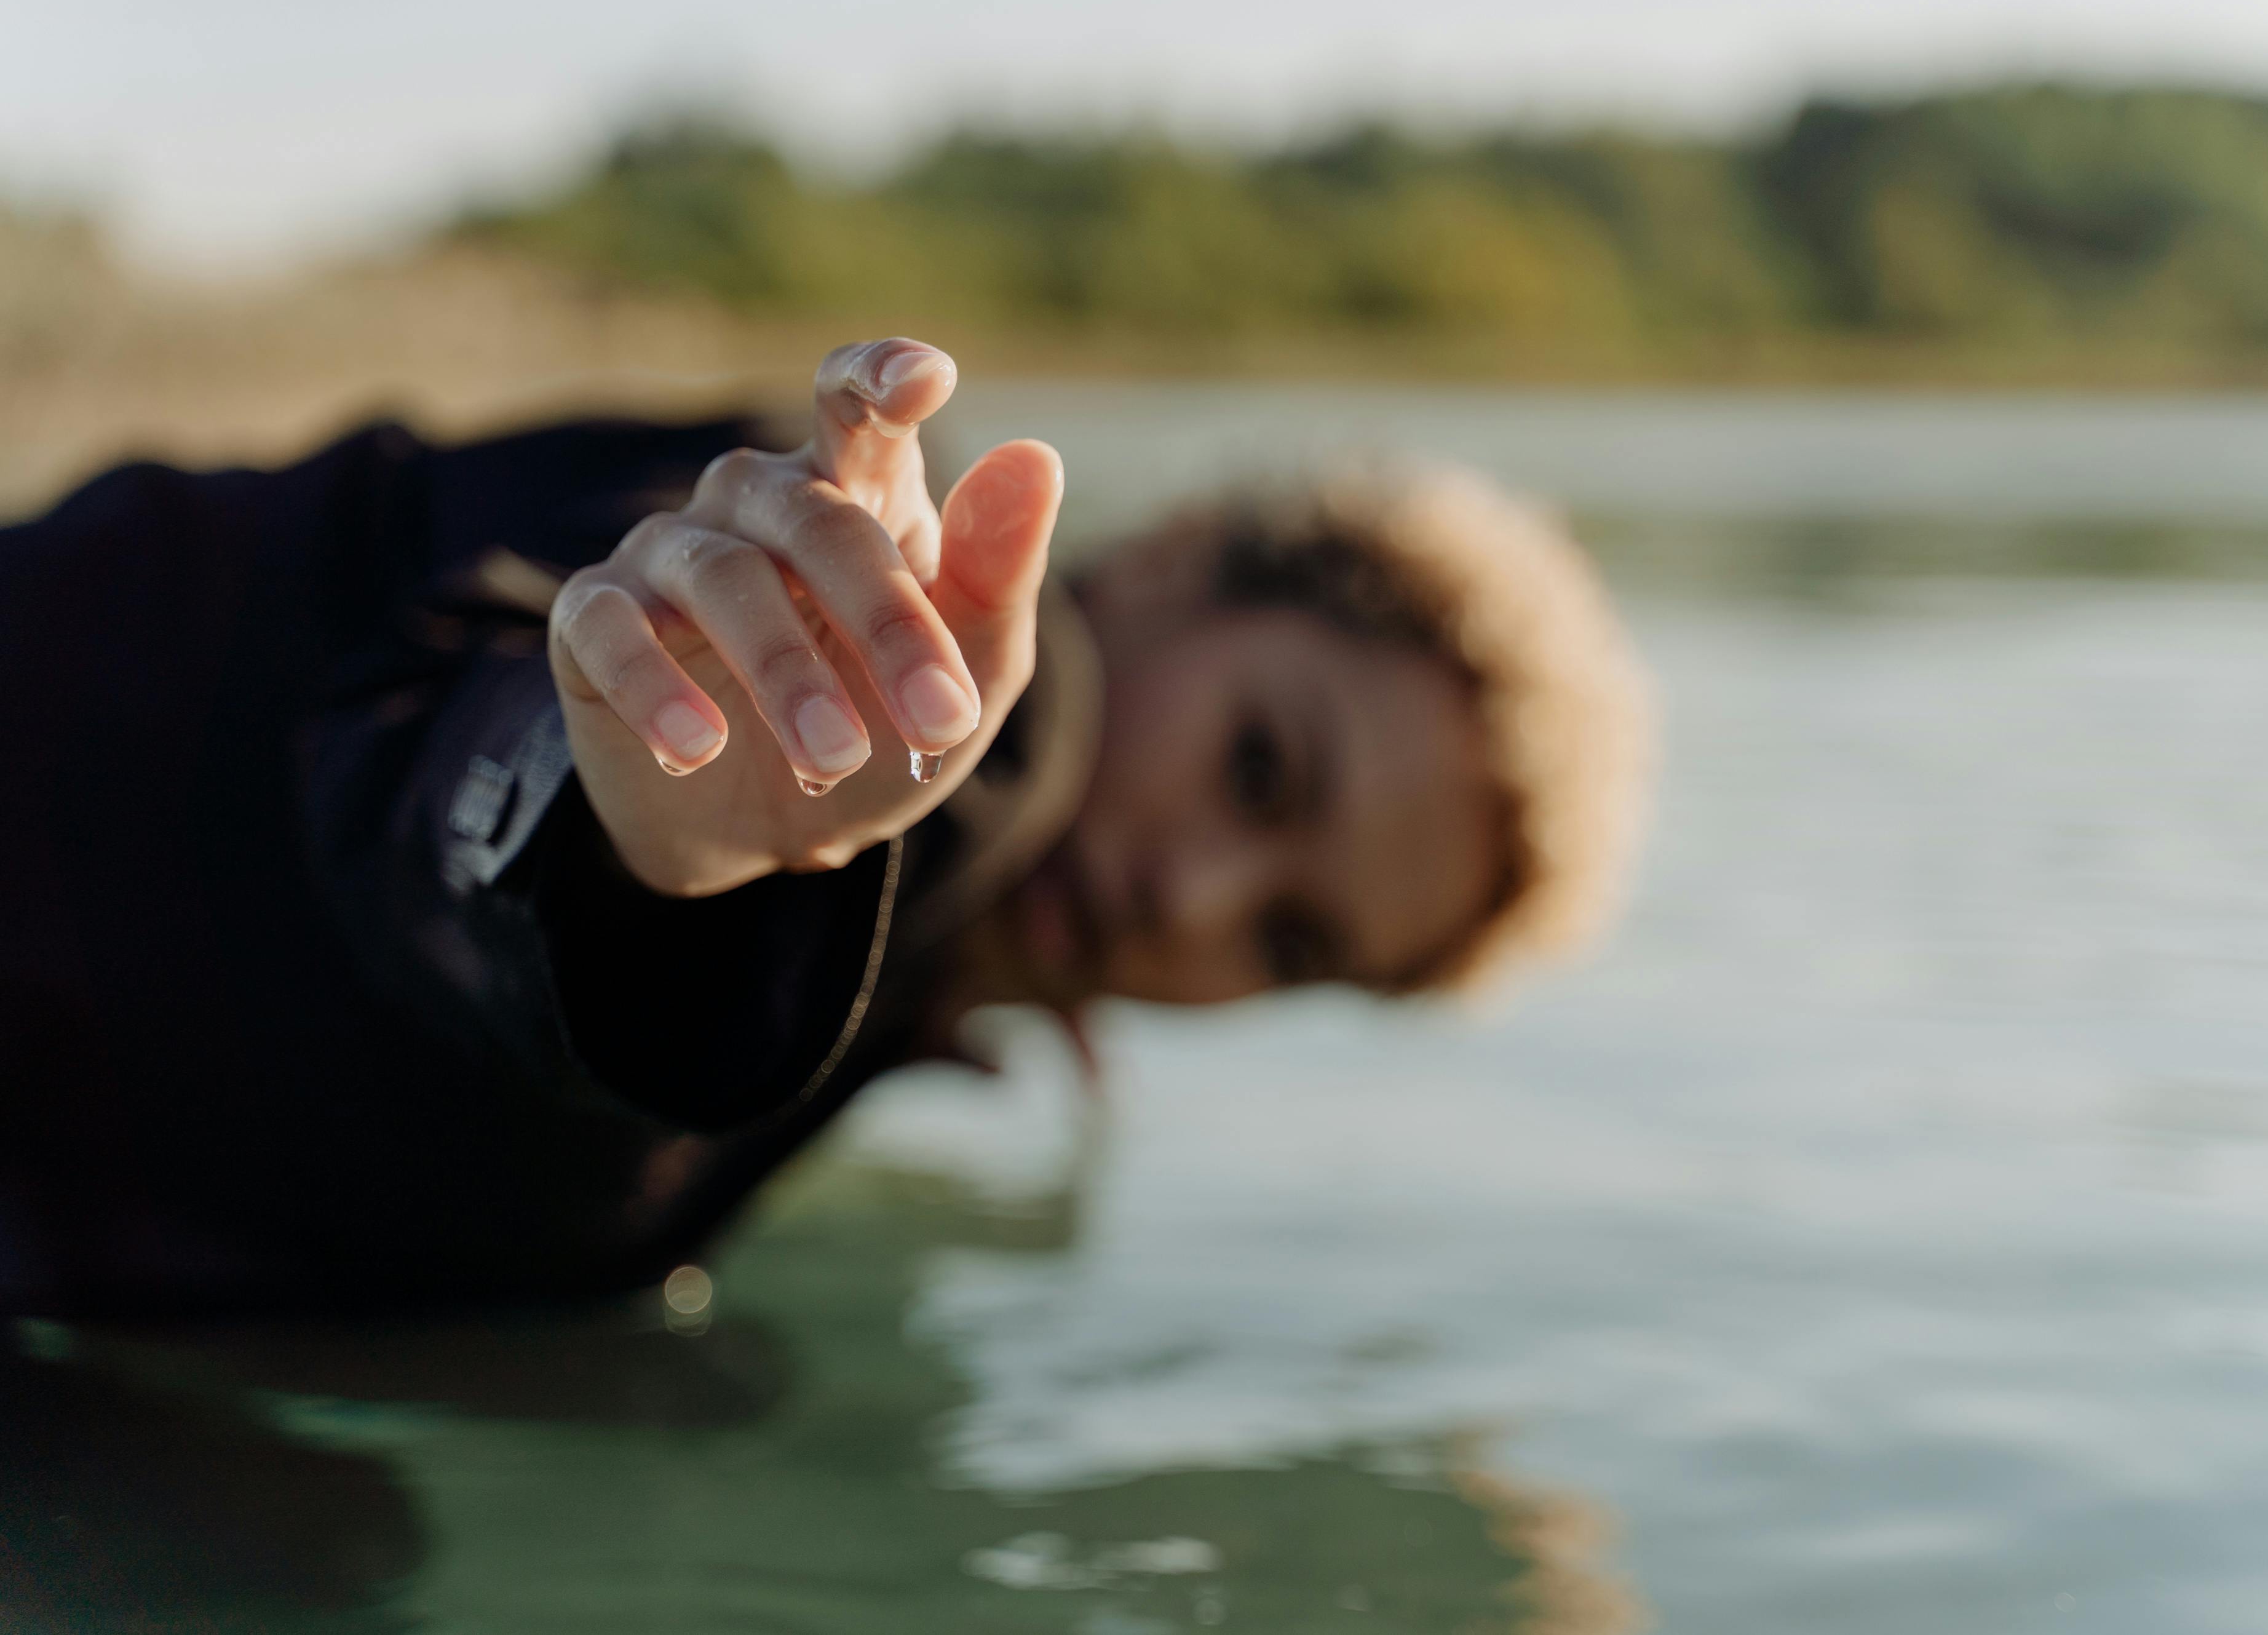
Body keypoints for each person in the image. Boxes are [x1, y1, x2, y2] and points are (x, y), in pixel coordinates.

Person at [0, 339, 1647, 1318]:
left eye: (1288, 941)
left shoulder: (897, 959)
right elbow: (435, 766)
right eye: (1261, 768)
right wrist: (655, 842)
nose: (1191, 895)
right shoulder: (966, 701)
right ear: (1173, 565)